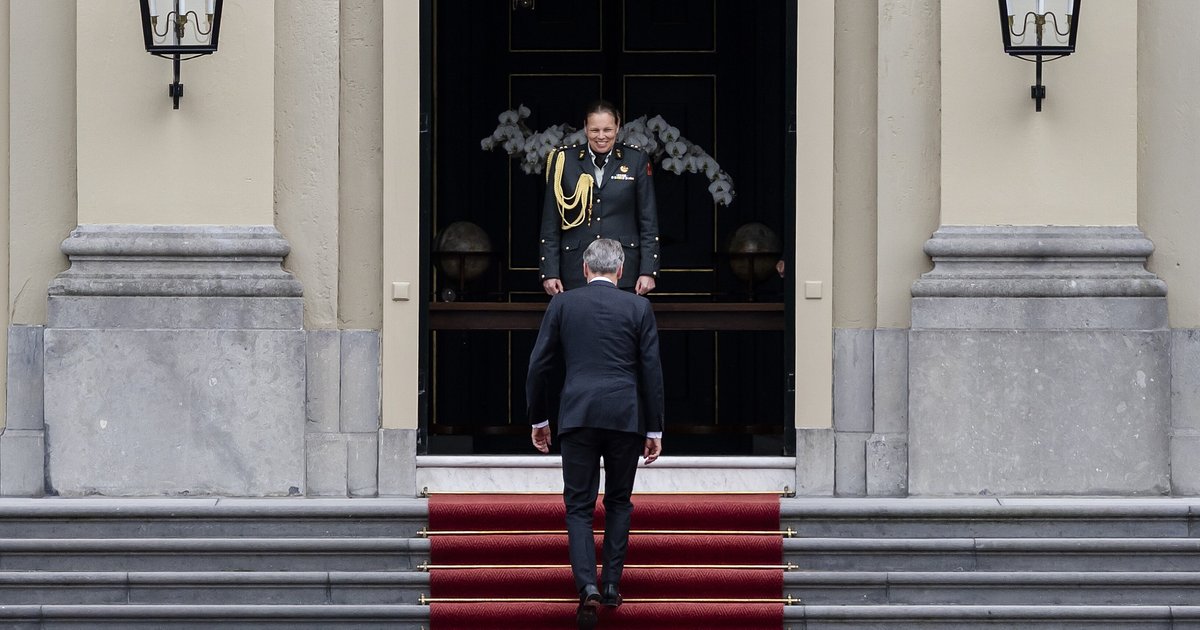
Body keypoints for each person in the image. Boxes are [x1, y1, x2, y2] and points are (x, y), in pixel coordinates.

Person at [527, 238, 665, 630]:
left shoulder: (563, 304)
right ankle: (611, 586)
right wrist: (654, 427)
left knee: (579, 506)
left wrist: (539, 420)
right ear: (621, 271)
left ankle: (586, 585)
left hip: (578, 416)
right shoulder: (639, 307)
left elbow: (539, 366)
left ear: (585, 269)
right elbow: (651, 372)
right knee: (620, 502)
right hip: (625, 417)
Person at [540, 100, 661, 296]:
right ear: (585, 128)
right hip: (575, 269)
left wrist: (648, 270)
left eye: (608, 129)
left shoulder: (636, 159)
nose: (601, 136)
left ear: (618, 126)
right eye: (595, 130)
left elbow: (648, 220)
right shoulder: (564, 161)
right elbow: (550, 221)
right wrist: (549, 272)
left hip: (624, 269)